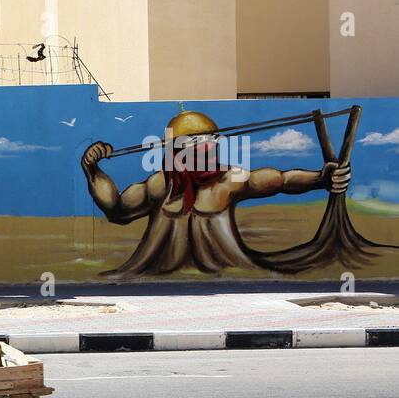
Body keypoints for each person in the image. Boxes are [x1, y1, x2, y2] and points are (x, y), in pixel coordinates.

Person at [82, 109, 351, 279]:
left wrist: (321, 178)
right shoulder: (160, 185)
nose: (199, 149)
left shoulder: (230, 180)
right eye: (189, 143)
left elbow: (281, 180)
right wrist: (92, 169)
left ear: (216, 144)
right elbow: (116, 209)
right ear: (173, 149)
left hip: (230, 270)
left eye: (206, 142)